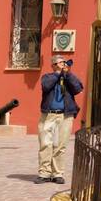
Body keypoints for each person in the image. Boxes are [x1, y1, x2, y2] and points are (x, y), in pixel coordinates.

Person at [38, 54, 82, 184]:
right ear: (53, 65)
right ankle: (44, 173)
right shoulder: (47, 77)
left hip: (65, 115)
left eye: (64, 62)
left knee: (60, 145)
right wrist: (58, 74)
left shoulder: (68, 78)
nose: (63, 64)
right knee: (45, 144)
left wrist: (68, 74)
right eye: (60, 62)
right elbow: (46, 86)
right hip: (48, 115)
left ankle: (57, 173)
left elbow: (78, 88)